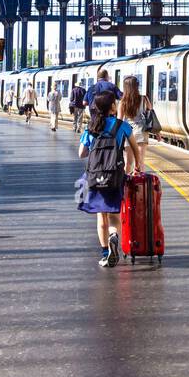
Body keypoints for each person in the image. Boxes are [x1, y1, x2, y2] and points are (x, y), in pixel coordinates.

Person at [79, 91, 142, 268]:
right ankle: (114, 237)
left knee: (101, 216)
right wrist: (137, 166)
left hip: (95, 176)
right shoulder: (122, 126)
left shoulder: (91, 127)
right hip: (116, 175)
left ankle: (106, 253)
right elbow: (135, 148)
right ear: (113, 107)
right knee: (115, 215)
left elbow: (81, 153)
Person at [118, 75, 151, 175]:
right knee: (140, 162)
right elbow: (151, 115)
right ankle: (140, 187)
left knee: (128, 163)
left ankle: (125, 186)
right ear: (137, 86)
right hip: (142, 132)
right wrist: (157, 133)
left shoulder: (122, 102)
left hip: (128, 133)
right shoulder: (144, 99)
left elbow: (119, 121)